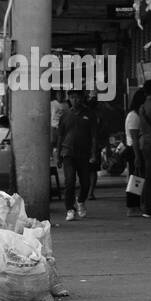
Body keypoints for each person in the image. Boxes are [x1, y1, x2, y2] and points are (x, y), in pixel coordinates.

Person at [57, 91, 102, 221]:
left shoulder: (90, 114)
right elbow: (60, 136)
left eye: (77, 97)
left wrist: (93, 153)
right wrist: (58, 154)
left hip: (84, 153)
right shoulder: (65, 115)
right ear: (69, 99)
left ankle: (81, 200)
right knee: (69, 181)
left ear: (82, 98)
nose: (74, 100)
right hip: (68, 152)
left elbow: (94, 136)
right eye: (72, 97)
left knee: (86, 182)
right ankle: (70, 208)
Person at [123, 81, 151, 217]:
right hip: (134, 150)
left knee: (139, 178)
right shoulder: (133, 116)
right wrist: (137, 156)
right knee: (135, 178)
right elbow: (134, 138)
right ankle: (132, 206)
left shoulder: (138, 115)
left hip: (137, 149)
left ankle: (136, 205)